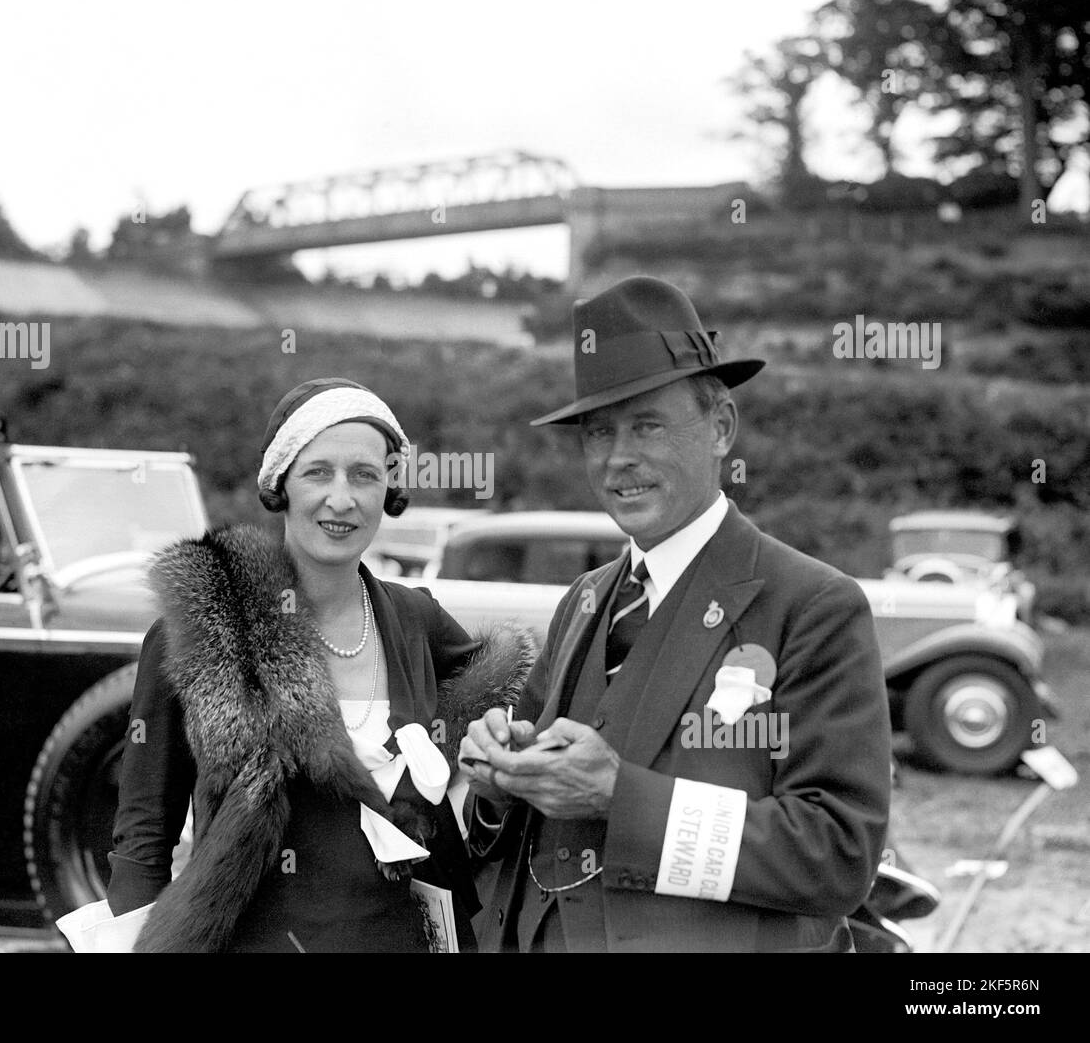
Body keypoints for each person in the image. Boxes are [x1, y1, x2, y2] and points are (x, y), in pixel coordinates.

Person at [460, 277, 891, 952]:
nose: (618, 457)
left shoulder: (812, 605)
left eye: (647, 425)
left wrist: (619, 797)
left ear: (721, 427)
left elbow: (837, 855)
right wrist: (499, 786)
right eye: (599, 431)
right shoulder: (582, 601)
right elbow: (520, 831)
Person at [107, 378, 534, 952]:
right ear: (280, 483)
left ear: (389, 490)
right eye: (318, 473)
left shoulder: (416, 621)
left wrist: (481, 765)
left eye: (364, 474)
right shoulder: (206, 630)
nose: (342, 499)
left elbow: (496, 735)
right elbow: (143, 839)